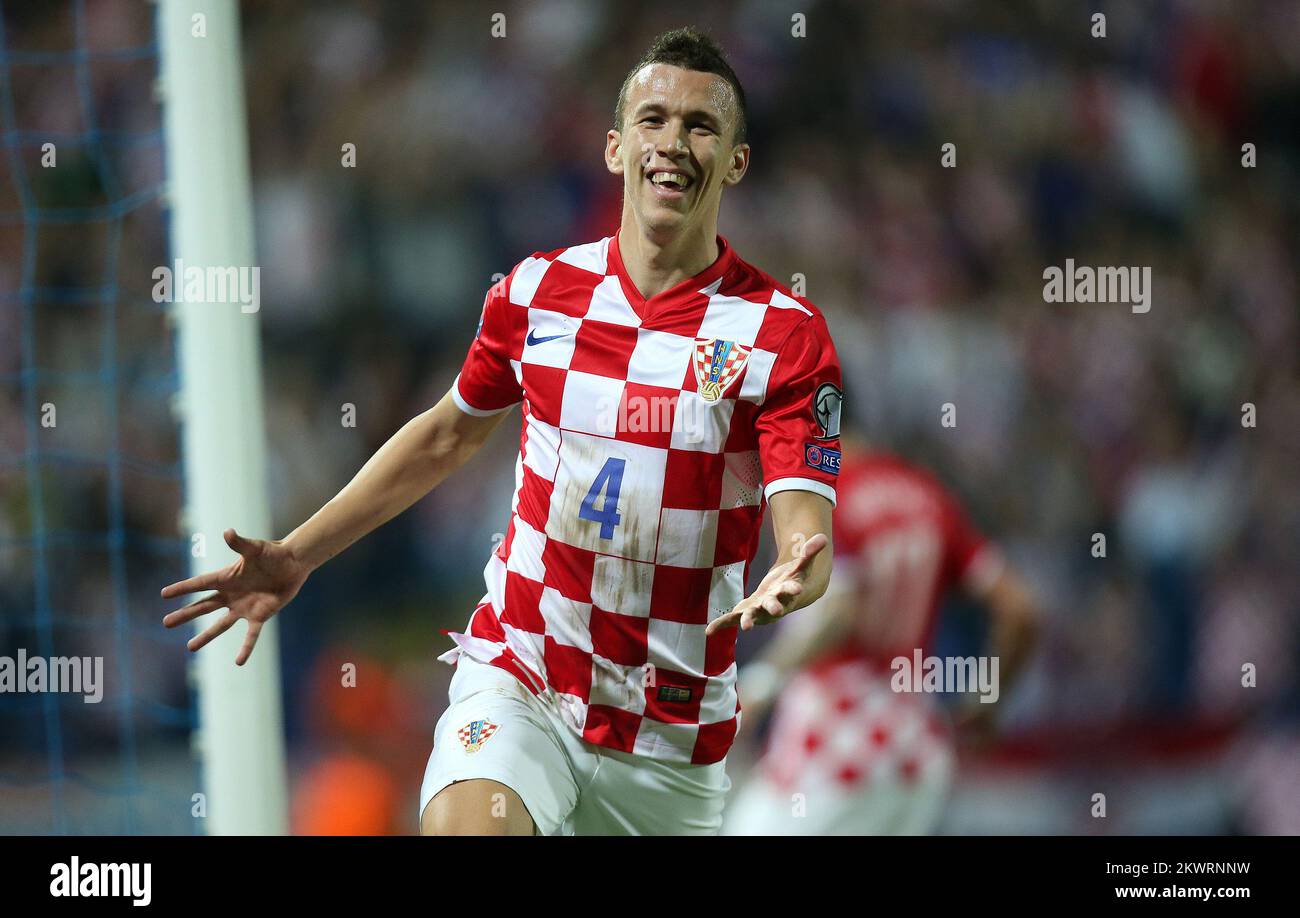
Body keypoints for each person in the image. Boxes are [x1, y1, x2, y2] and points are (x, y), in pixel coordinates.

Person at [161, 27, 845, 836]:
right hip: (522, 682)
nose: (673, 142)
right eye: (654, 119)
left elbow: (808, 532)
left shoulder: (782, 334)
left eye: (702, 126)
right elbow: (447, 435)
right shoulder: (536, 293)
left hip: (671, 738)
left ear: (735, 160)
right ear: (615, 146)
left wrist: (792, 575)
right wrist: (300, 551)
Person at [723, 433, 1040, 835]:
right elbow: (1021, 611)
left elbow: (839, 610)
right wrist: (986, 701)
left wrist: (761, 684)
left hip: (833, 740)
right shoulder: (925, 494)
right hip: (914, 750)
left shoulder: (825, 491)